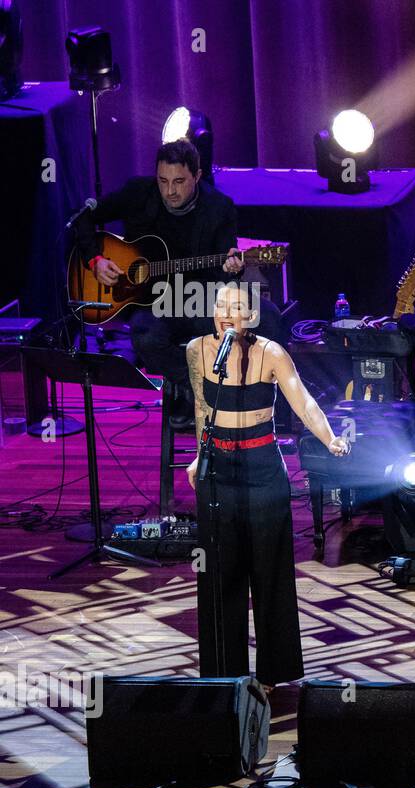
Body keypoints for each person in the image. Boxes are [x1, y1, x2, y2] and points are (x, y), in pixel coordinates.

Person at [185, 285, 350, 694]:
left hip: (261, 467)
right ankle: (225, 672)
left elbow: (304, 401)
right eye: (221, 306)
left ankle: (274, 672)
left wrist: (330, 438)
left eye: (236, 307)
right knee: (219, 569)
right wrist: (197, 456)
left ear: (252, 316)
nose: (227, 313)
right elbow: (202, 408)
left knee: (268, 567)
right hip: (217, 468)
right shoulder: (197, 350)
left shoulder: (272, 352)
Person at [75, 139, 246, 407]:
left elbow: (227, 261)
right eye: (162, 180)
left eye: (179, 181)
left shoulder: (219, 207)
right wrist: (95, 259)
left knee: (236, 326)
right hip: (149, 300)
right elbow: (81, 218)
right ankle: (201, 388)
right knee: (145, 336)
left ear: (197, 176)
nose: (169, 191)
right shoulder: (138, 192)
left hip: (196, 297)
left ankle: (197, 394)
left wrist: (233, 265)